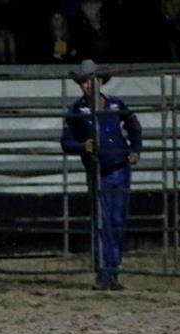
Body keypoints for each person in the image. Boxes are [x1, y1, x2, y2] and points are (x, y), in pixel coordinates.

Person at [61, 59, 142, 291]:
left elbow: (134, 124)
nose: (87, 85)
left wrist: (135, 148)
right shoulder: (76, 111)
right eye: (84, 81)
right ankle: (106, 274)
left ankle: (111, 272)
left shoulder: (115, 104)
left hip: (119, 169)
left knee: (116, 222)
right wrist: (82, 146)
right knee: (105, 222)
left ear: (99, 81)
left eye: (90, 80)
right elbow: (66, 143)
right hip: (100, 172)